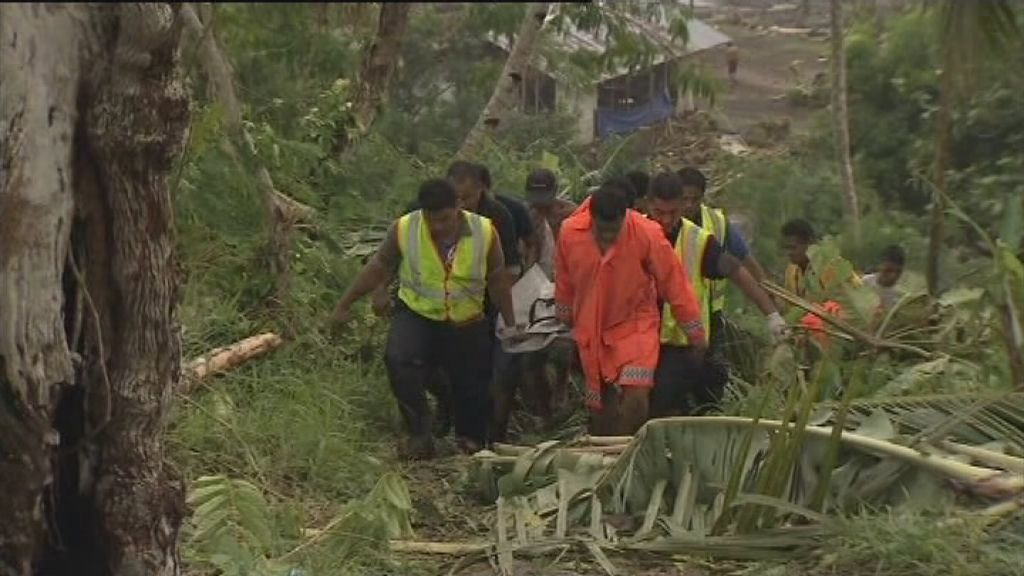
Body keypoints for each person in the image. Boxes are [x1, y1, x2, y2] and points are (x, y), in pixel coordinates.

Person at [331, 179, 522, 459]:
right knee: (399, 360)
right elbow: (380, 265)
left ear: (458, 206)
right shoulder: (405, 228)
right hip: (417, 312)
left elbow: (497, 279)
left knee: (470, 384)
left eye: (445, 219)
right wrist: (344, 305)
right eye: (432, 220)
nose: (438, 227)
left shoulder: (485, 231)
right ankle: (420, 433)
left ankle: (468, 439)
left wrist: (510, 321)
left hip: (465, 319)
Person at [555, 179, 706, 435]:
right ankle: (607, 455)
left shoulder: (647, 233)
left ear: (626, 216)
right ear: (591, 219)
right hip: (591, 326)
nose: (609, 238)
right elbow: (564, 278)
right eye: (602, 232)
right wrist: (565, 313)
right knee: (601, 406)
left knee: (637, 393)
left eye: (615, 231)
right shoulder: (569, 233)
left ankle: (626, 451)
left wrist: (695, 332)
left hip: (636, 324)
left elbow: (674, 283)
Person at [646, 172, 787, 416]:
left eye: (673, 213)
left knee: (674, 401)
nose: (666, 220)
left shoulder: (698, 240)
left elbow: (738, 271)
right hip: (640, 338)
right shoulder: (632, 232)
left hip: (683, 342)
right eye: (660, 213)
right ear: (649, 205)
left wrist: (772, 315)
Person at [523, 168, 578, 278]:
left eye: (543, 194)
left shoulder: (569, 212)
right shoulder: (525, 214)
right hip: (533, 276)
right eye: (536, 194)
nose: (540, 202)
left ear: (554, 190)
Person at [862, 245, 905, 310]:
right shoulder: (864, 283)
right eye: (888, 270)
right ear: (880, 264)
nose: (892, 276)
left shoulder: (901, 297)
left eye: (898, 272)